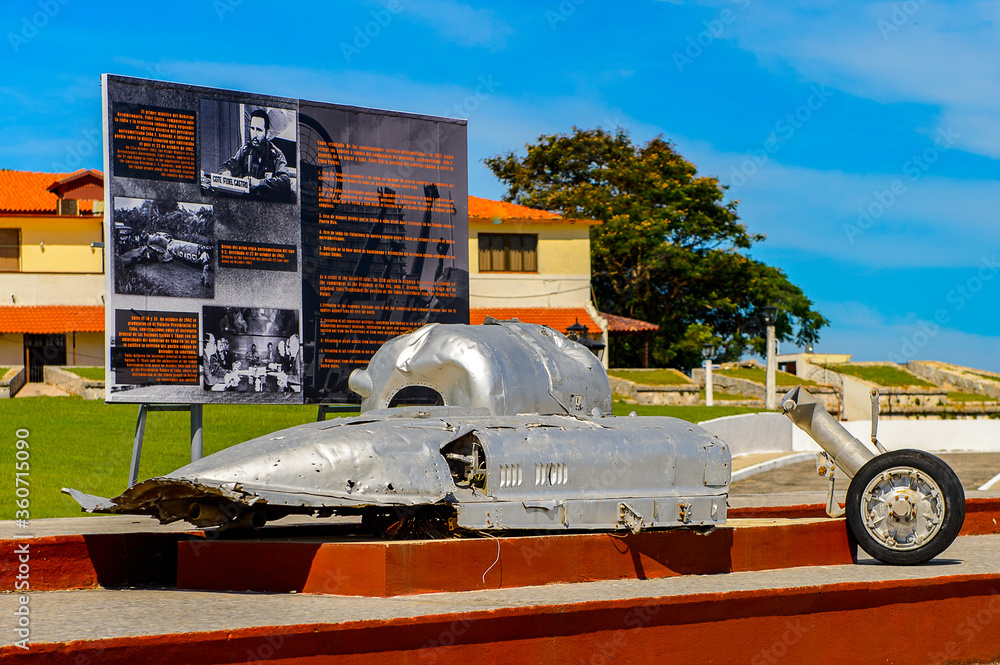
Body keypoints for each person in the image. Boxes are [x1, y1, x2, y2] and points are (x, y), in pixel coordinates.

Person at [220, 108, 291, 200]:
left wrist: (259, 183)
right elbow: (226, 166)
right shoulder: (245, 150)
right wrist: (226, 173)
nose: (254, 134)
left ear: (267, 133)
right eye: (252, 128)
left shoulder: (276, 155)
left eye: (259, 130)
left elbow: (285, 181)